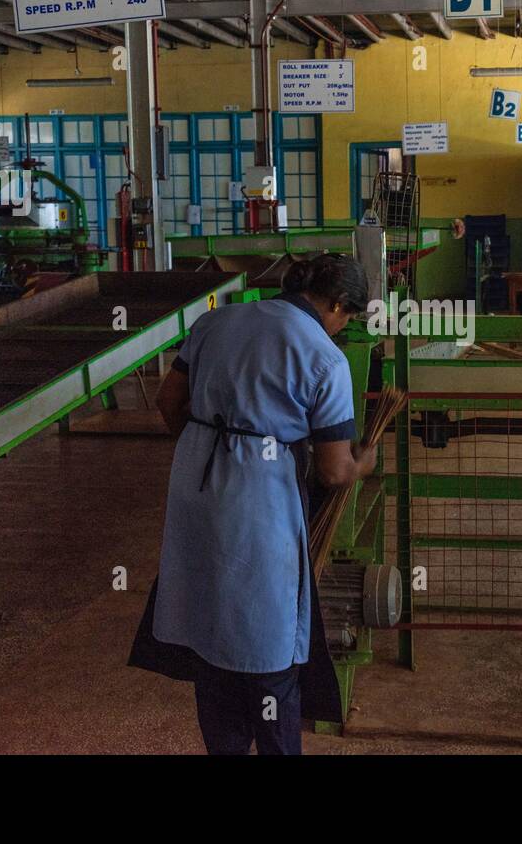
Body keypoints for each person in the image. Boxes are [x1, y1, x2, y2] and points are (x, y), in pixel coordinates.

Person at [128, 253, 377, 755]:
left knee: (210, 624)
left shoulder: (214, 321)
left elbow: (167, 402)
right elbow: (332, 470)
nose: (342, 327)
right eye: (346, 316)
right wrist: (364, 463)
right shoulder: (324, 357)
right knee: (268, 641)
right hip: (259, 501)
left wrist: (206, 448)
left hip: (193, 488)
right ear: (334, 304)